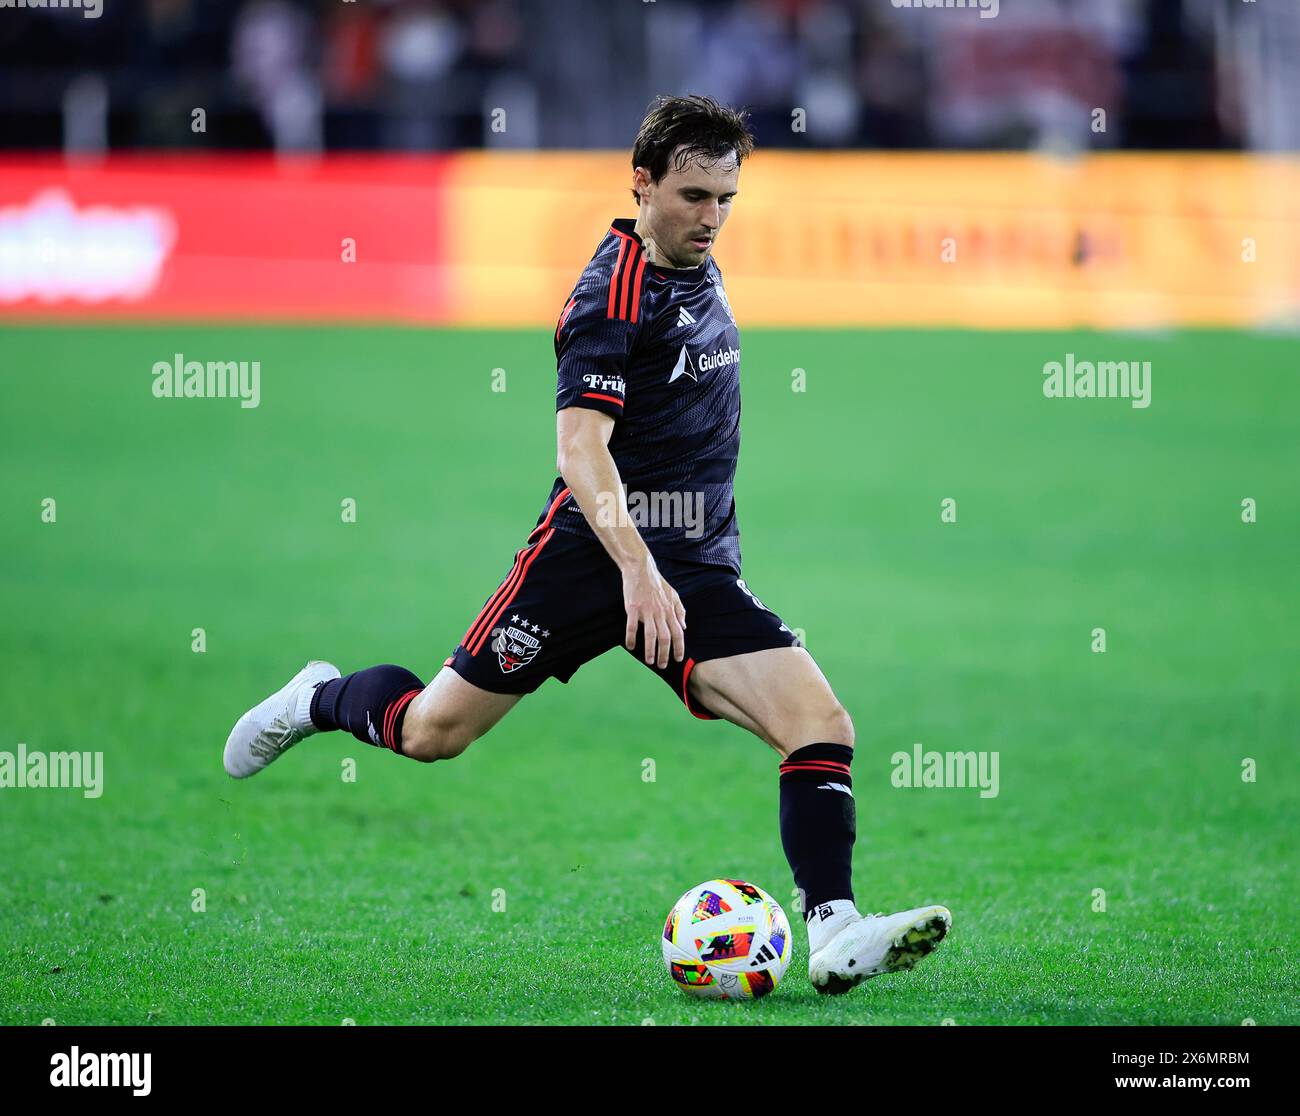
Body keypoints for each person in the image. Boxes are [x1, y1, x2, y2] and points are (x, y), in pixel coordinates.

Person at [223, 93, 950, 994]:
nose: (711, 216)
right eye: (692, 195)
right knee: (432, 733)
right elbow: (581, 449)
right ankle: (318, 698)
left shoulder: (696, 262)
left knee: (819, 724)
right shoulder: (611, 293)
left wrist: (673, 566)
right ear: (641, 182)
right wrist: (636, 572)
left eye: (725, 197)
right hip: (589, 557)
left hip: (689, 563)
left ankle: (836, 928)